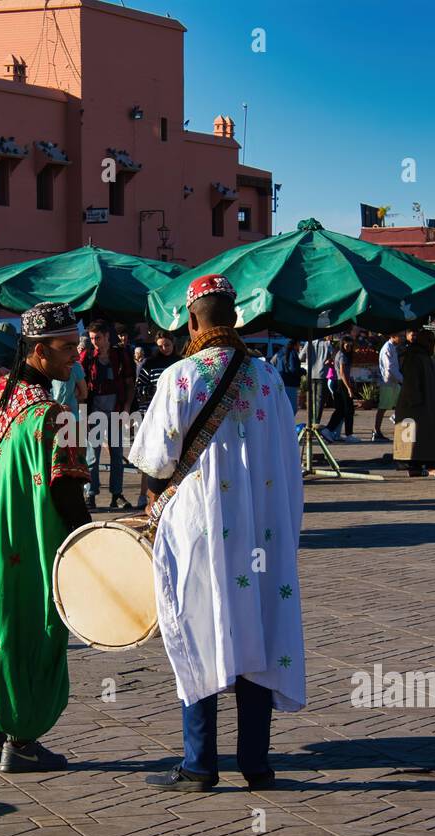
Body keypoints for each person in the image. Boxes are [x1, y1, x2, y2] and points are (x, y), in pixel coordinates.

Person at [128, 274, 305, 791]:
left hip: (201, 532)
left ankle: (199, 765)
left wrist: (148, 497)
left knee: (198, 628)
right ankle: (257, 765)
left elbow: (155, 458)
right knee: (259, 632)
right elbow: (289, 462)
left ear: (191, 321)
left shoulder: (181, 377)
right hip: (263, 535)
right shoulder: (269, 378)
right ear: (235, 318)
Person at [0, 302, 91, 773]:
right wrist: (92, 549)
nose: (77, 355)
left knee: (1, 625)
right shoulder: (54, 416)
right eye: (68, 347)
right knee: (34, 630)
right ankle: (23, 740)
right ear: (38, 351)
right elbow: (70, 498)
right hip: (33, 543)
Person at [81, 320, 133, 510]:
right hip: (94, 412)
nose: (95, 341)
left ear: (107, 336)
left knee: (117, 455)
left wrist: (127, 407)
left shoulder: (120, 355)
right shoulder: (86, 357)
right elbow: (81, 386)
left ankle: (116, 494)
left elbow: (129, 383)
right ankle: (91, 494)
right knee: (92, 457)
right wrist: (83, 414)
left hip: (116, 411)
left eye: (98, 337)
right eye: (92, 338)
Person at [133, 332, 181, 506]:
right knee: (151, 458)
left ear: (173, 343)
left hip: (176, 418)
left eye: (167, 345)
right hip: (154, 417)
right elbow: (140, 390)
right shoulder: (150, 364)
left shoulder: (180, 363)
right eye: (160, 345)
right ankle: (144, 495)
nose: (164, 348)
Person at [394, 328, 435, 477]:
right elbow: (411, 382)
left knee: (424, 437)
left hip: (424, 405)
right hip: (416, 406)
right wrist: (415, 401)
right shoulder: (415, 356)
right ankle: (416, 466)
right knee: (415, 438)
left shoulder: (424, 356)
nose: (432, 345)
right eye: (430, 341)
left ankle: (423, 464)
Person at [371, 332, 404, 441]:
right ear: (393, 336)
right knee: (383, 407)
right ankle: (376, 431)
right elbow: (389, 367)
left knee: (401, 403)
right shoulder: (387, 348)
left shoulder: (393, 347)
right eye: (401, 336)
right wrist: (402, 379)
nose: (402, 338)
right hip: (388, 382)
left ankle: (395, 422)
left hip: (393, 382)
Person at [325, 338, 359, 442]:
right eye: (347, 346)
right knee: (348, 410)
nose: (349, 348)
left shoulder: (339, 354)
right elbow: (342, 373)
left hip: (338, 382)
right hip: (342, 383)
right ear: (342, 345)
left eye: (350, 346)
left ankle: (328, 430)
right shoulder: (342, 355)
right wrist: (349, 388)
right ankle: (349, 434)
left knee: (340, 410)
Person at [299, 337, 331, 426]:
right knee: (319, 400)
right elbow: (332, 357)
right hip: (322, 374)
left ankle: (310, 420)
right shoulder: (327, 344)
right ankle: (316, 422)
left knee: (310, 398)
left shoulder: (308, 343)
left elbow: (300, 357)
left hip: (311, 373)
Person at [269, 339, 302, 415]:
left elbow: (271, 364)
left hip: (279, 383)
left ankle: (282, 425)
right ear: (296, 344)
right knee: (292, 409)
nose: (299, 346)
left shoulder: (280, 352)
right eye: (299, 344)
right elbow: (293, 369)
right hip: (290, 383)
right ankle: (287, 425)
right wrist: (302, 371)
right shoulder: (292, 352)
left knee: (283, 408)